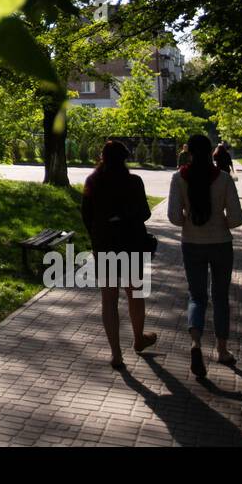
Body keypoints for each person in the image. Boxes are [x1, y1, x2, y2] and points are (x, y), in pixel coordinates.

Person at [168, 133, 242, 378]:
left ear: (188, 151)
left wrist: (186, 221)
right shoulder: (222, 178)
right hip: (221, 243)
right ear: (211, 151)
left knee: (197, 296)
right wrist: (222, 222)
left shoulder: (178, 178)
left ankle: (196, 344)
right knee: (220, 297)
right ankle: (222, 351)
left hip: (191, 243)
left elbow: (173, 217)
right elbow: (237, 218)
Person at [81, 140, 157, 370]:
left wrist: (98, 235)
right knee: (135, 294)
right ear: (125, 159)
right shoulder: (134, 182)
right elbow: (145, 212)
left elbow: (86, 214)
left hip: (104, 245)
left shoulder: (92, 182)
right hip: (131, 243)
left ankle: (116, 355)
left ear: (102, 157)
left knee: (109, 299)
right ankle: (139, 338)